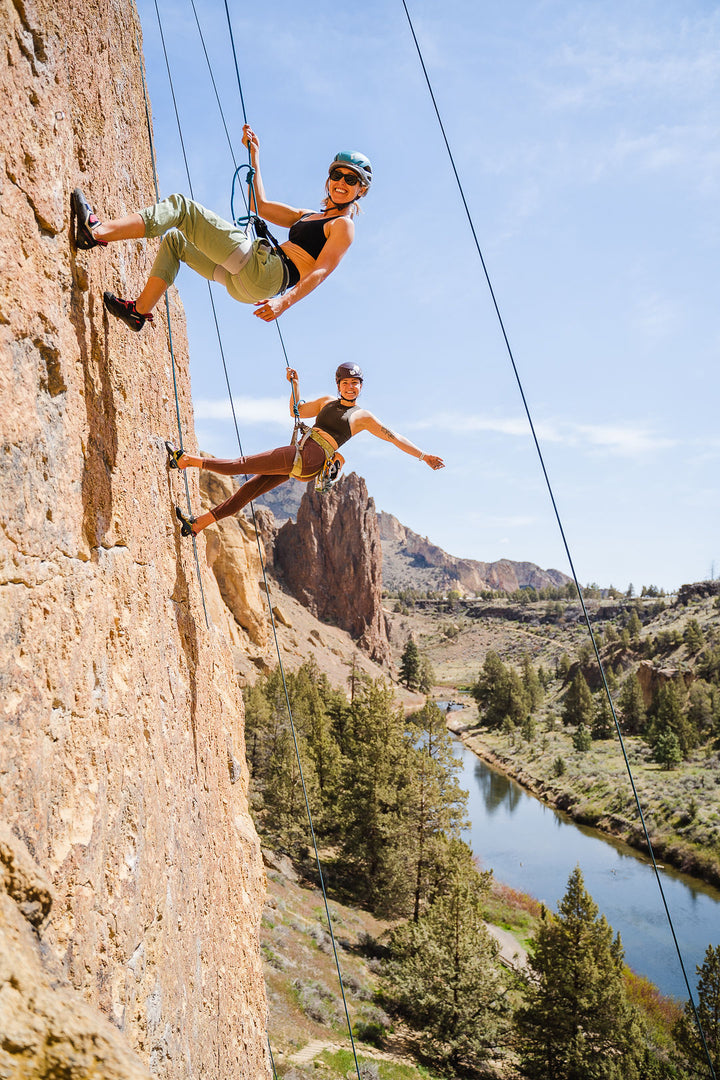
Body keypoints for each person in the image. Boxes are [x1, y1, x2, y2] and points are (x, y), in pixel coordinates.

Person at [71, 125, 371, 331]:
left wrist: (283, 303)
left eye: (351, 180)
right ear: (329, 178)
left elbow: (321, 271)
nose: (342, 183)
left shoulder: (343, 226)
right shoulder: (308, 215)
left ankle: (96, 231)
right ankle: (138, 312)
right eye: (337, 175)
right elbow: (260, 206)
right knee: (176, 240)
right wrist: (254, 156)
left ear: (361, 190)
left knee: (182, 208)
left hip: (265, 274)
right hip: (243, 283)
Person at [168, 362, 444, 537]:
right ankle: (197, 525)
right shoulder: (325, 402)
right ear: (338, 385)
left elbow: (394, 437)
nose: (351, 387)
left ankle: (186, 461)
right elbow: (295, 411)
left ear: (361, 387)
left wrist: (423, 456)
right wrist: (295, 386)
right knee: (248, 490)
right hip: (302, 457)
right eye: (346, 383)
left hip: (310, 458)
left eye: (355, 383)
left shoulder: (363, 417)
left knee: (242, 463)